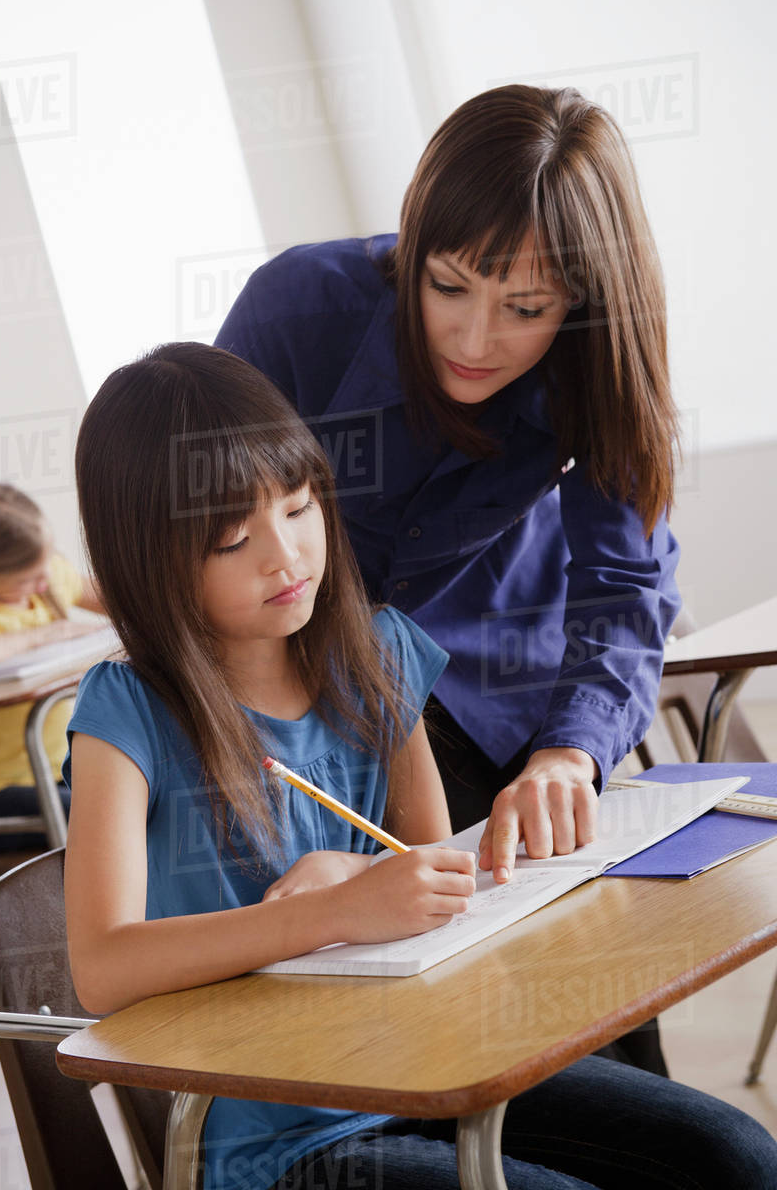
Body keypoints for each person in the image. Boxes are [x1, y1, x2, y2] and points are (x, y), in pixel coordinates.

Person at [63, 343, 777, 1190]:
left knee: (733, 1153)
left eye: (297, 509)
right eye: (232, 539)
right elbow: (102, 967)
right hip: (283, 1137)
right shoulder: (127, 711)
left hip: (432, 1061)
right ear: (149, 559)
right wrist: (329, 910)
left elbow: (440, 882)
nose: (285, 557)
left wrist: (367, 878)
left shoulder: (378, 654)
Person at [215, 83, 681, 1073]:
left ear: (582, 304)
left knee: (589, 978)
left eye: (525, 310)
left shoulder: (594, 367)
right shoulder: (298, 310)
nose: (474, 341)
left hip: (489, 685)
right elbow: (187, 543)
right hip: (287, 699)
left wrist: (570, 751)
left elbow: (625, 584)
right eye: (447, 286)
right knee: (424, 1025)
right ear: (412, 248)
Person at [0, 481, 104, 853]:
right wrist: (42, 635)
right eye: (26, 579)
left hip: (59, 770)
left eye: (46, 564)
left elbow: (126, 602)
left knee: (153, 797)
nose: (44, 582)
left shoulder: (47, 581)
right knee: (103, 818)